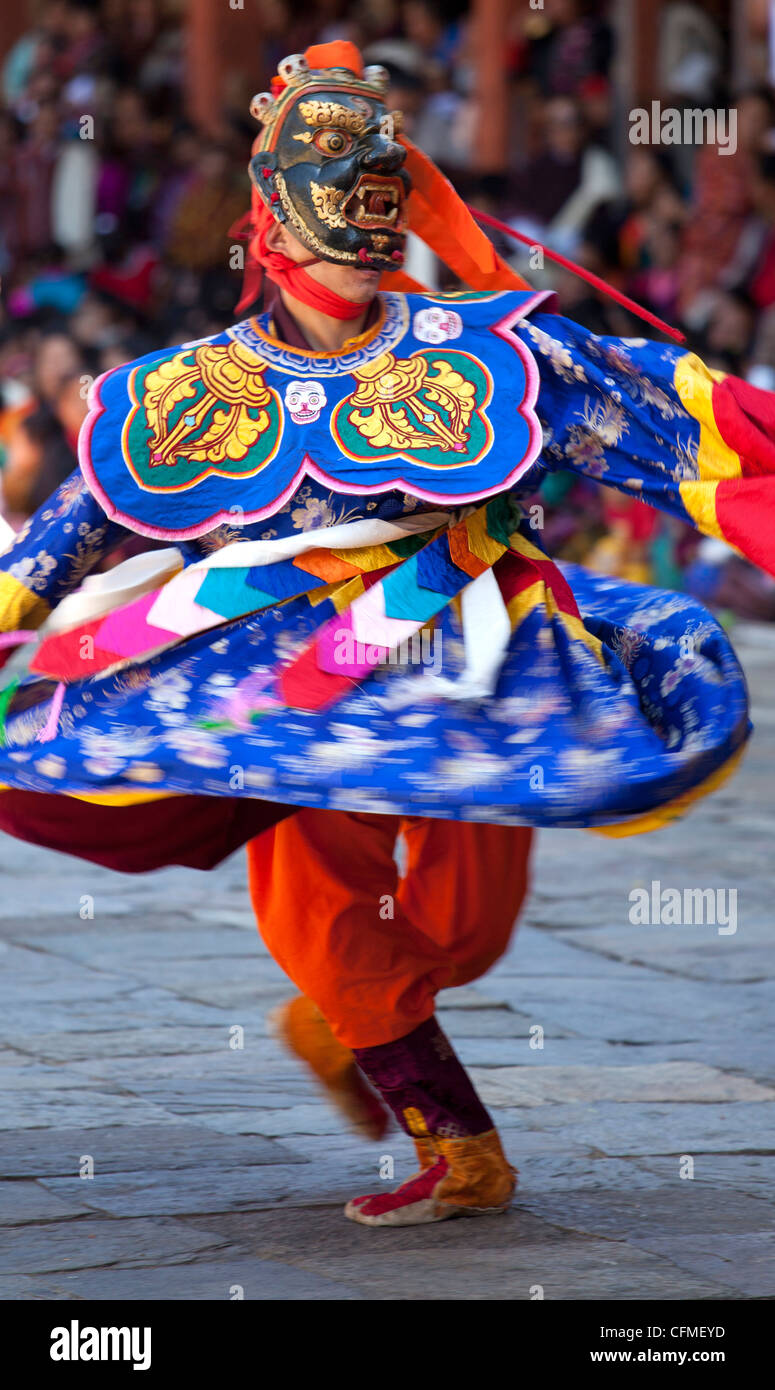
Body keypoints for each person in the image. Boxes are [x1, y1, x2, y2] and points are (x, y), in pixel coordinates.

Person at [2, 41, 775, 1227]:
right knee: (324, 914)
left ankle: (353, 1015)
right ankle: (457, 1143)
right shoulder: (191, 386)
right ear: (273, 217)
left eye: (378, 186)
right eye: (335, 189)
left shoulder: (490, 352)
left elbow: (676, 424)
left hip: (475, 644)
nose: (365, 216)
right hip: (288, 671)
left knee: (467, 922)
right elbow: (75, 525)